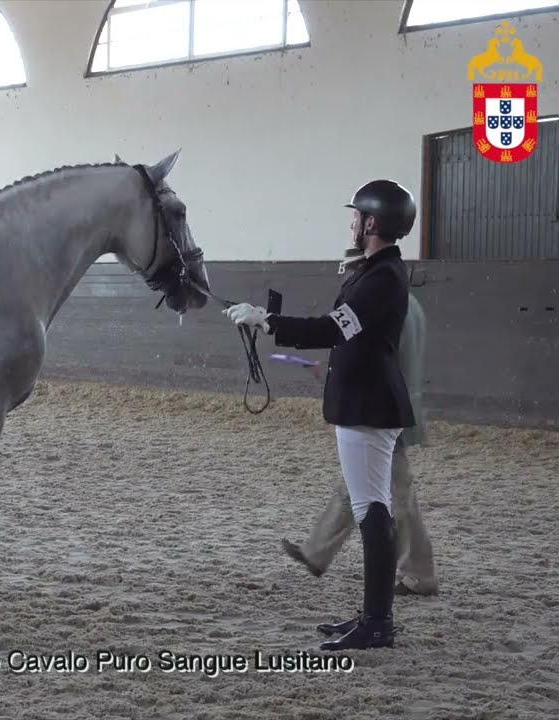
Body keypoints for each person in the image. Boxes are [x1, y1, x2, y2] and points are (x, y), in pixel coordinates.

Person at [225, 179, 417, 651]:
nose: (351, 223)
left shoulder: (381, 278)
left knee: (371, 512)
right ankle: (374, 617)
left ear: (371, 223)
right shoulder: (376, 271)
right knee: (371, 508)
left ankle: (377, 623)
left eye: (356, 217)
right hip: (365, 401)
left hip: (367, 404)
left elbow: (334, 329)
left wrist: (267, 323)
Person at [279, 246, 439, 598]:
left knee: (395, 495)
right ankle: (317, 552)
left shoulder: (385, 306)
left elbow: (379, 359)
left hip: (380, 412)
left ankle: (418, 574)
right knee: (363, 487)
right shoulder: (409, 307)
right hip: (389, 409)